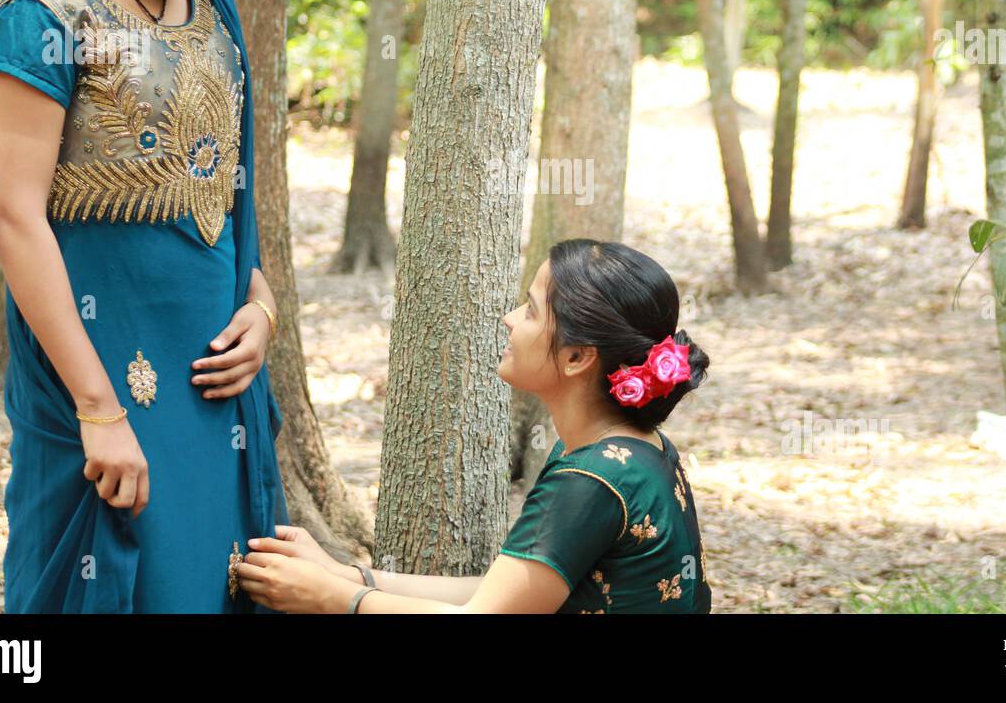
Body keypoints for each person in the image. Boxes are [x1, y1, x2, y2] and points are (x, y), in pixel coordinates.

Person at [0, 0, 289, 612]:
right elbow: (13, 215)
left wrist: (260, 306)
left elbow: (226, 187)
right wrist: (97, 408)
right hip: (99, 381)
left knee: (208, 579)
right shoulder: (43, 14)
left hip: (212, 390)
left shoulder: (212, 8)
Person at [235, 239, 713, 613]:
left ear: (576, 357)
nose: (508, 320)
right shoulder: (629, 450)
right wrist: (348, 576)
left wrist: (333, 600)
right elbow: (503, 592)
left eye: (529, 311)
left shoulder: (591, 480)